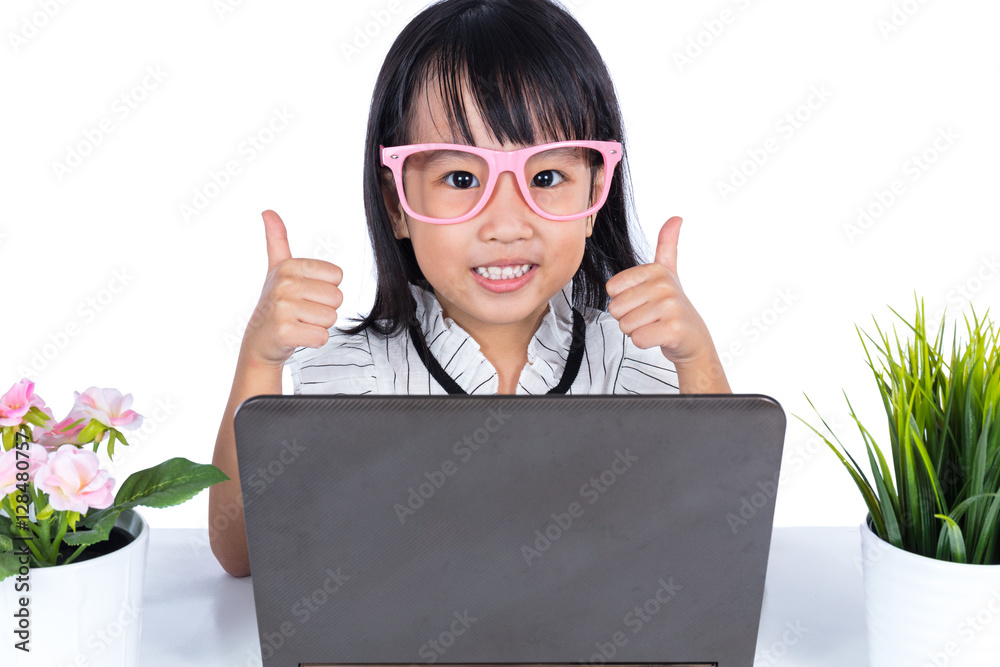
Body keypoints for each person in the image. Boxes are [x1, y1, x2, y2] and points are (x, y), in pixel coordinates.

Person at [210, 0, 731, 578]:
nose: (506, 224)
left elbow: (722, 541)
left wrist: (696, 358)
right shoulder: (352, 374)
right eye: (461, 178)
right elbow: (245, 557)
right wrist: (259, 361)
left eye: (547, 177)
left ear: (594, 195)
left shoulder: (635, 359)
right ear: (397, 203)